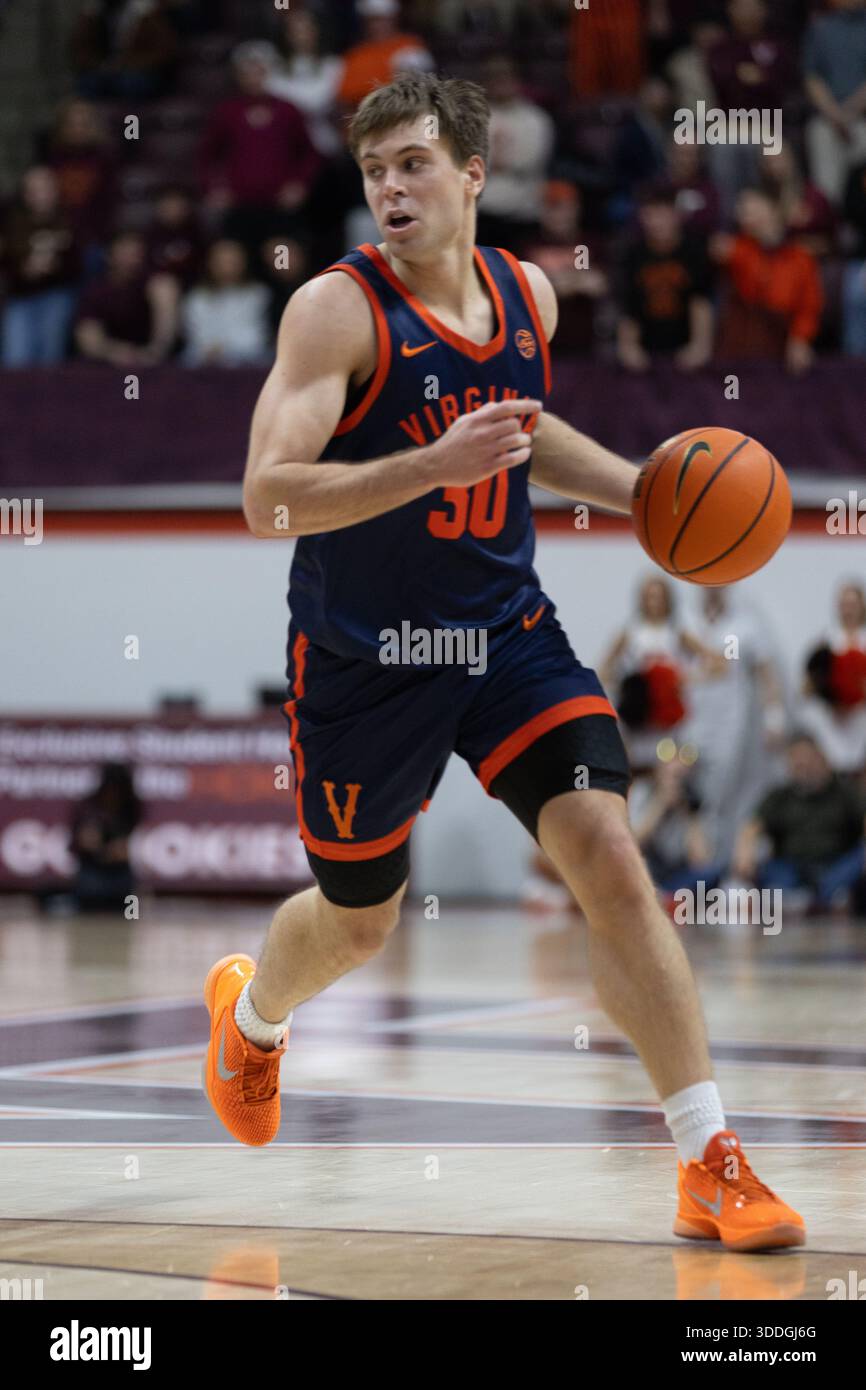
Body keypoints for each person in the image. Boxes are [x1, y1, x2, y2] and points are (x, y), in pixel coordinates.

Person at [202, 71, 805, 1252]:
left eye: (413, 164)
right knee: (357, 918)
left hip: (505, 638)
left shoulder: (526, 292)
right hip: (364, 667)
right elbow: (266, 501)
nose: (389, 189)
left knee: (609, 857)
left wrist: (637, 488)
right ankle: (254, 1020)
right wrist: (428, 464)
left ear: (473, 173)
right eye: (374, 170)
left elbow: (520, 432)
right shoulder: (335, 312)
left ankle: (707, 1159)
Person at [199, 41, 320, 262]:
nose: (254, 78)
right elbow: (207, 156)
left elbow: (309, 154)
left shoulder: (288, 110)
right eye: (247, 73)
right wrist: (214, 188)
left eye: (259, 71)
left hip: (280, 208)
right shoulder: (226, 112)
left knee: (282, 264)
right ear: (238, 76)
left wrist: (299, 185)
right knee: (235, 262)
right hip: (239, 207)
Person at [732, 733, 866, 911]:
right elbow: (752, 827)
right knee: (773, 873)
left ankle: (829, 896)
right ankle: (799, 899)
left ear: (821, 758)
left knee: (857, 859)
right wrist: (744, 853)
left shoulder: (844, 792)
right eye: (797, 764)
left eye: (808, 761)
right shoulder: (780, 796)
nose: (804, 768)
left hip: (834, 865)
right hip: (791, 866)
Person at [713, 186, 823, 372]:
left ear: (773, 210)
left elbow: (809, 306)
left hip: (782, 345)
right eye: (742, 208)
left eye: (751, 207)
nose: (743, 213)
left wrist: (800, 338)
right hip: (741, 349)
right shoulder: (736, 250)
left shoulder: (800, 258)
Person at [617, 187, 715, 372]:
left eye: (663, 215)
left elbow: (700, 301)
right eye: (650, 215)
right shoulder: (632, 254)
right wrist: (629, 347)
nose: (657, 223)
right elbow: (629, 306)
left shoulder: (693, 251)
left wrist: (700, 346)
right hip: (647, 348)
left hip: (684, 345)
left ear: (676, 215)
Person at [475, 56, 555, 257]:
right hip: (482, 211)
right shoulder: (473, 117)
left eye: (506, 78)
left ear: (518, 82)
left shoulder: (537, 119)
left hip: (523, 211)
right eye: (495, 79)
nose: (501, 84)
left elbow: (529, 160)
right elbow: (467, 160)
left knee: (521, 275)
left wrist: (492, 159)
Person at [0, 166, 80, 367]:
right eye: (33, 190)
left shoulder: (70, 220)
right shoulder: (11, 223)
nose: (40, 196)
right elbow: (6, 265)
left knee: (49, 360)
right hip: (20, 298)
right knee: (15, 359)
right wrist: (25, 269)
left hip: (57, 294)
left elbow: (79, 268)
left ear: (55, 191)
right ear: (25, 194)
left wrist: (55, 265)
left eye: (45, 189)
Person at [75, 229, 179, 365]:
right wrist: (112, 351)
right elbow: (87, 334)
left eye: (136, 252)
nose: (132, 258)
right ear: (109, 255)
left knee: (164, 287)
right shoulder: (96, 289)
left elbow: (169, 319)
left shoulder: (155, 282)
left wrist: (154, 352)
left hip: (154, 359)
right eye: (125, 252)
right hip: (110, 359)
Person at [804, 0, 866, 205]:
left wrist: (849, 112)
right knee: (820, 135)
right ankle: (829, 220)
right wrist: (834, 115)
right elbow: (812, 78)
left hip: (862, 118)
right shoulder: (821, 28)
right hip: (829, 120)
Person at [182, 239, 271, 366]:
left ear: (243, 263)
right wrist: (211, 349)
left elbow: (257, 337)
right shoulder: (197, 297)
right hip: (204, 359)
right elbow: (195, 335)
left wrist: (226, 350)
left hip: (248, 360)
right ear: (211, 264)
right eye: (222, 262)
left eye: (232, 262)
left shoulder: (258, 294)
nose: (227, 267)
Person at [70, 763, 142, 912]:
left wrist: (121, 850)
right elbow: (84, 842)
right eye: (111, 789)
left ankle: (130, 922)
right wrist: (100, 849)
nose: (114, 794)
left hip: (121, 875)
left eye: (119, 790)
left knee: (132, 905)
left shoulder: (131, 808)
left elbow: (129, 846)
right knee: (89, 891)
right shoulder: (88, 808)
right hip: (92, 873)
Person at [337, 0, 432, 111]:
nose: (377, 25)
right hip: (364, 117)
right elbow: (344, 99)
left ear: (394, 19)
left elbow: (423, 91)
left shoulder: (411, 46)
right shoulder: (355, 55)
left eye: (383, 19)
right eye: (373, 20)